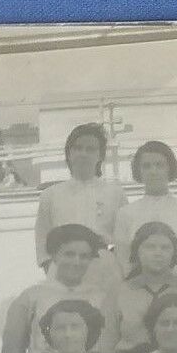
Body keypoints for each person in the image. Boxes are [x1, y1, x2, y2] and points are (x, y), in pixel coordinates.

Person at [1, 224, 110, 353]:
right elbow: (12, 348)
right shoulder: (32, 297)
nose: (76, 262)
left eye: (84, 256)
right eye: (69, 254)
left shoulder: (102, 297)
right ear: (54, 256)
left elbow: (110, 345)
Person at [34, 123, 128, 290]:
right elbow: (42, 239)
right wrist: (52, 267)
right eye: (78, 148)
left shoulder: (115, 193)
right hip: (63, 270)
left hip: (104, 268)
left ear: (100, 155)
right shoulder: (50, 195)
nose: (83, 153)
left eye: (90, 149)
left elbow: (124, 238)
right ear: (69, 153)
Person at [101, 222, 177, 353]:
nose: (158, 253)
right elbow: (106, 345)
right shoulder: (120, 293)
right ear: (137, 251)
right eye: (150, 247)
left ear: (174, 254)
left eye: (165, 248)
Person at [114, 141, 177, 284]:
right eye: (146, 166)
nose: (153, 171)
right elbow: (122, 258)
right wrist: (134, 288)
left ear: (169, 169)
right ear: (138, 171)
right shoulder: (126, 213)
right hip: (138, 285)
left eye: (160, 165)